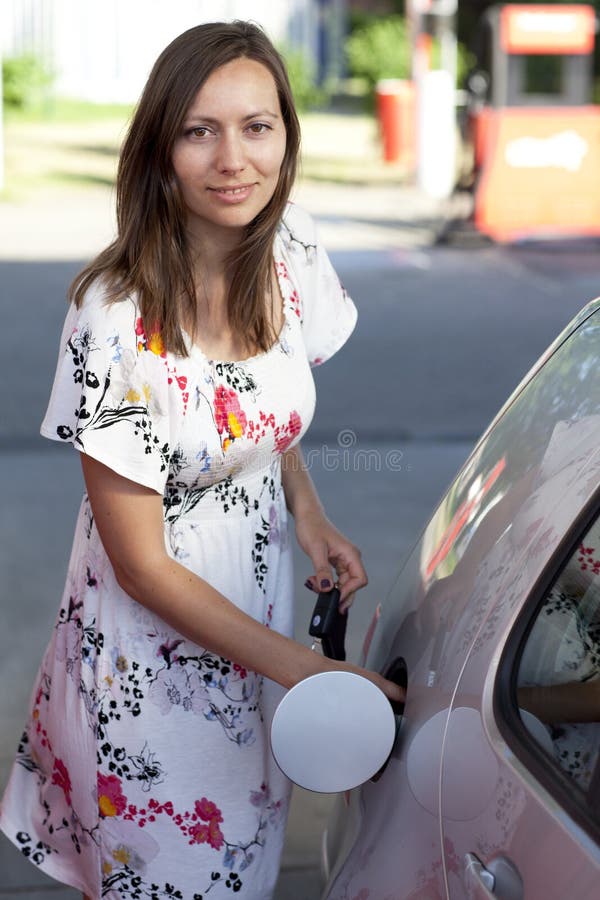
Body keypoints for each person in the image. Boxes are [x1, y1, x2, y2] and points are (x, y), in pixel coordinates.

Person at [0, 20, 402, 900]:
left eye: (257, 126)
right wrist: (308, 672)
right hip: (152, 667)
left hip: (254, 626)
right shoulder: (114, 319)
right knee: (187, 874)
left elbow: (258, 408)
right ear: (159, 147)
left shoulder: (288, 251)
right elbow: (141, 568)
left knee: (246, 862)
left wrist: (308, 512)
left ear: (287, 137)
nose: (234, 160)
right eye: (199, 130)